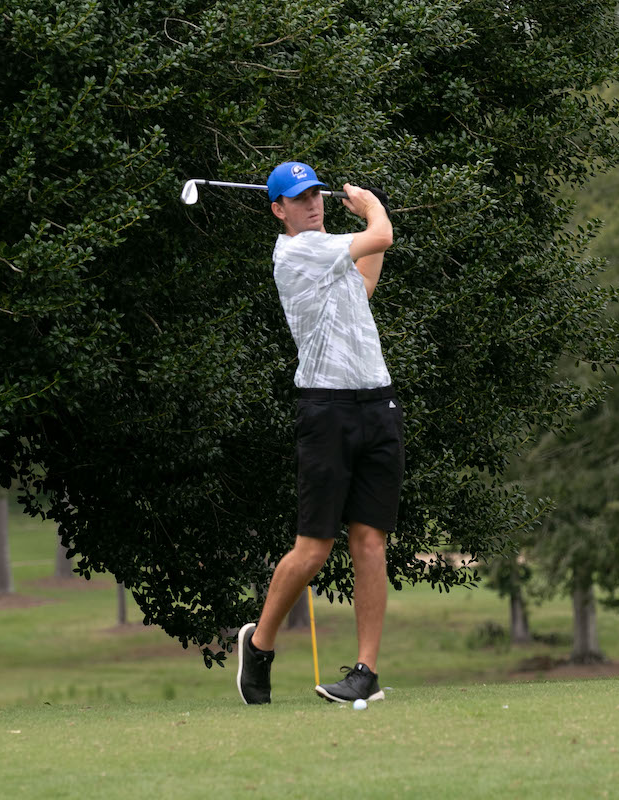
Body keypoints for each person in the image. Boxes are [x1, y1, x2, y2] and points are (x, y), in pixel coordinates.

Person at [236, 161, 403, 706]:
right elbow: (382, 234)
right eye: (298, 198)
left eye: (315, 194)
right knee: (313, 549)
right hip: (326, 409)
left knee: (370, 542)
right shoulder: (298, 253)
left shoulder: (335, 254)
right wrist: (372, 204)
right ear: (278, 209)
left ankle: (365, 672)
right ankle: (259, 647)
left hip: (377, 404)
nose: (312, 204)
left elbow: (367, 278)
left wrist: (365, 226)